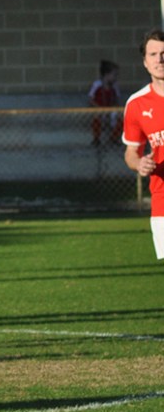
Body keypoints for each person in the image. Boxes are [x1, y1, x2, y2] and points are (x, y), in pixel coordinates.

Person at [123, 30, 164, 260]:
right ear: (145, 62)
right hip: (162, 200)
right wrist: (139, 164)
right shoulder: (136, 104)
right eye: (154, 54)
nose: (160, 59)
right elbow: (131, 152)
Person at [89, 59, 121, 147]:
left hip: (110, 110)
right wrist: (98, 108)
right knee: (96, 118)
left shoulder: (114, 86)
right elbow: (91, 99)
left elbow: (117, 99)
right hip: (99, 109)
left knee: (119, 118)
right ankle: (96, 139)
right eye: (114, 75)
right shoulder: (97, 84)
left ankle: (114, 138)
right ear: (106, 75)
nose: (115, 77)